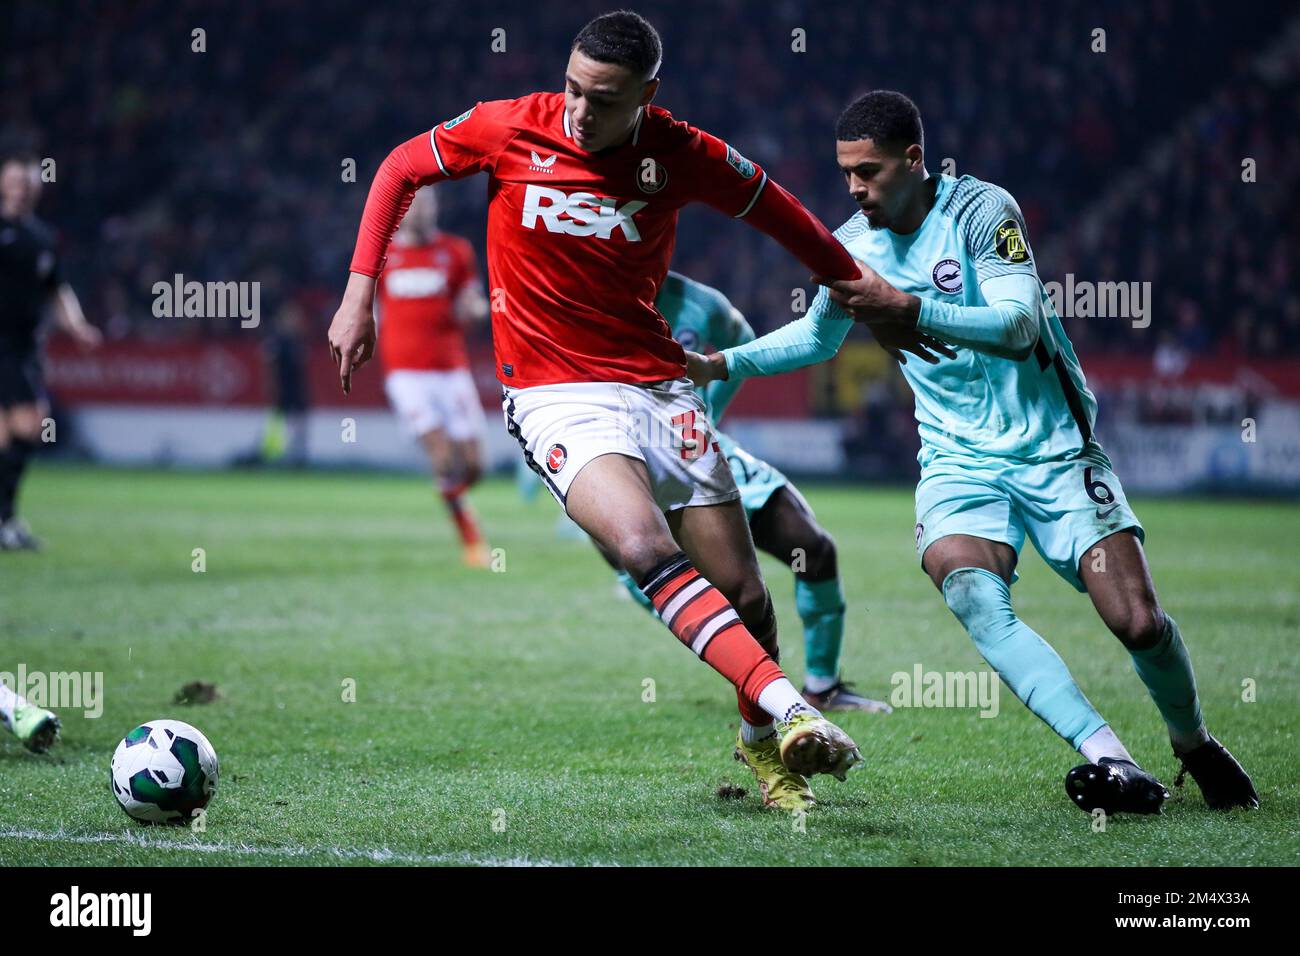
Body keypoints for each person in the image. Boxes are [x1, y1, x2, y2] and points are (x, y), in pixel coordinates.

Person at [328, 12, 948, 806]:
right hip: (554, 394)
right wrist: (360, 293)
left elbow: (776, 208)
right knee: (641, 546)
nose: (581, 111)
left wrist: (850, 280)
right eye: (574, 90)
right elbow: (397, 168)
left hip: (658, 386)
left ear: (646, 96)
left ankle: (761, 747)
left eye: (605, 100)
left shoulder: (680, 153)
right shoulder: (507, 129)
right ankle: (794, 709)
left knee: (748, 594)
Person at [689, 91, 1258, 815]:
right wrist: (722, 364)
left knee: (1138, 623)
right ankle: (1110, 759)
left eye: (869, 171)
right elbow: (815, 339)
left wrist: (911, 310)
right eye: (846, 174)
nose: (856, 188)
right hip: (958, 461)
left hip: (1055, 449)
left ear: (914, 160)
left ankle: (1193, 743)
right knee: (970, 590)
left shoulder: (983, 212)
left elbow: (1019, 324)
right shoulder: (848, 247)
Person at [376, 187, 492, 567]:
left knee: (475, 466)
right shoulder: (383, 253)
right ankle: (471, 541)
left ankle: (448, 492)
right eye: (414, 206)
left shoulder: (456, 251)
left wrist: (475, 310)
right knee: (442, 454)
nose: (421, 212)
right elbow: (366, 304)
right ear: (402, 211)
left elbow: (470, 301)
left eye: (428, 204)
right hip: (406, 374)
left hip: (450, 370)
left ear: (436, 209)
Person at [0, 153, 101, 552]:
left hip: (24, 345)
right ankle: (5, 520)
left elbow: (57, 288)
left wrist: (76, 325)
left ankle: (5, 520)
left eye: (27, 182)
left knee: (11, 436)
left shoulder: (42, 239)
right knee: (30, 424)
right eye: (13, 180)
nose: (21, 188)